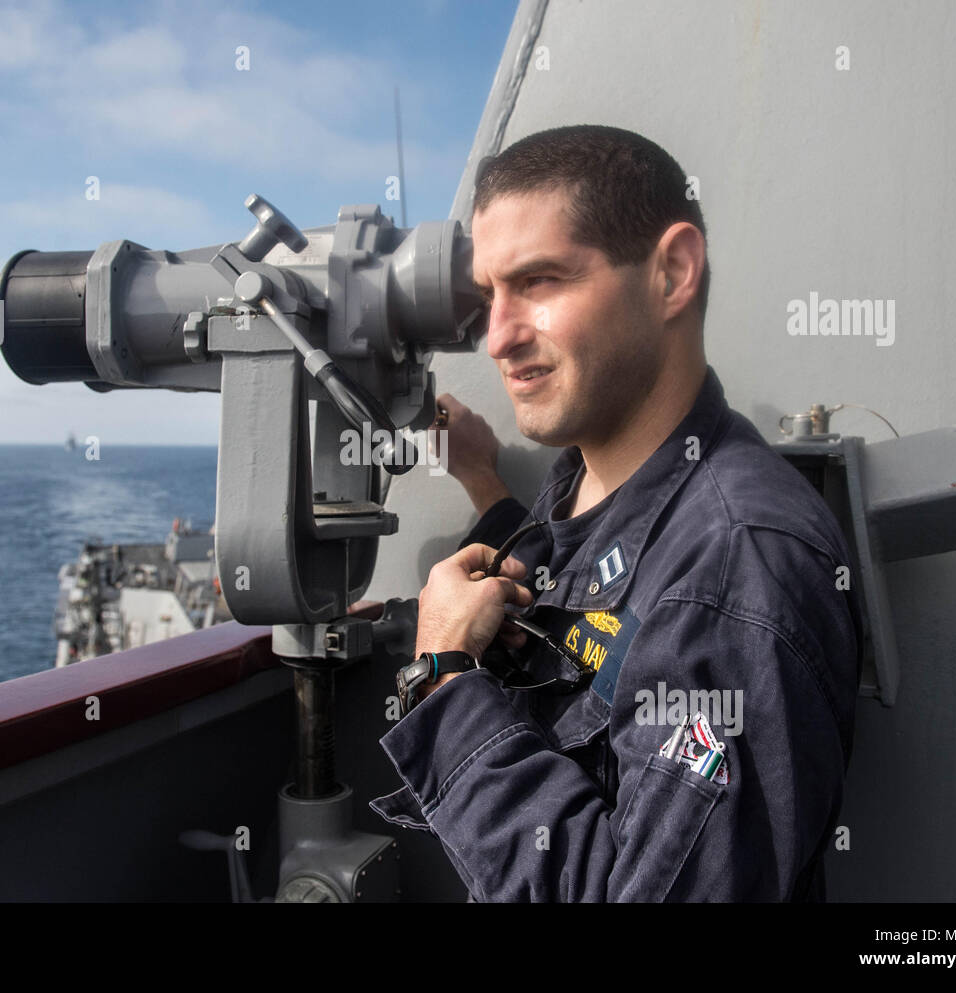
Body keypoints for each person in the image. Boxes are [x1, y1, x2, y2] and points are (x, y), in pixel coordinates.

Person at [369, 125, 863, 902]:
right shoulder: (584, 482)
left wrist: (443, 679)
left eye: (539, 282)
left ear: (672, 273)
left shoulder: (734, 574)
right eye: (489, 296)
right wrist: (487, 490)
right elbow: (588, 586)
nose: (498, 337)